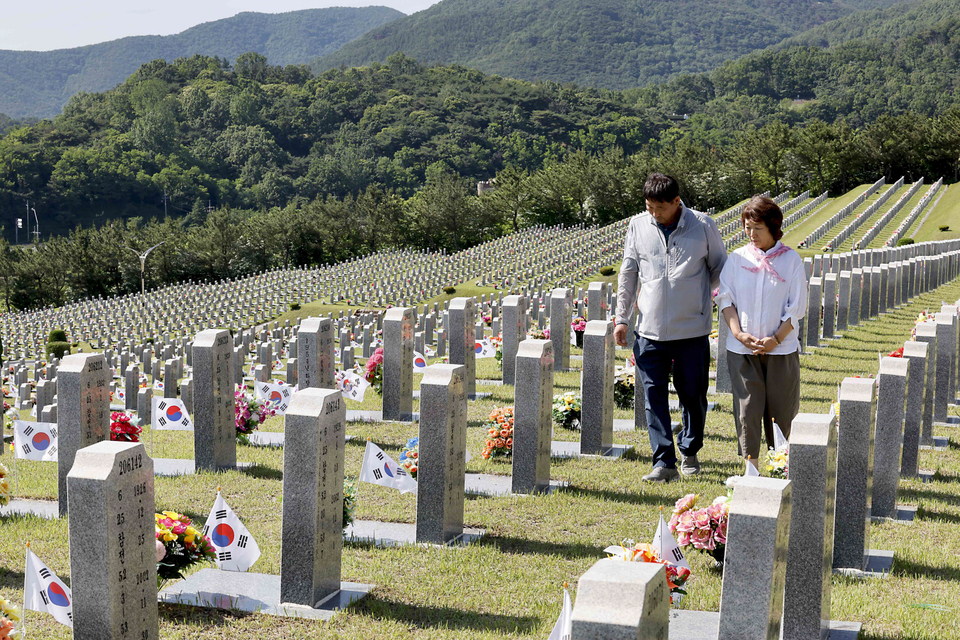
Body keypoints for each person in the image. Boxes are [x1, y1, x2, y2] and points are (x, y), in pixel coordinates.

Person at [614, 173, 726, 482]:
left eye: (659, 208)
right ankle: (663, 461)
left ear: (676, 202)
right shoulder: (638, 225)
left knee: (692, 395)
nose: (654, 213)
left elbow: (719, 267)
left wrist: (696, 297)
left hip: (691, 330)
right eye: (649, 206)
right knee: (653, 397)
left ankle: (689, 449)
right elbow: (629, 272)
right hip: (649, 330)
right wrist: (622, 318)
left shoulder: (702, 225)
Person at [715, 195, 807, 469]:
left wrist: (775, 339)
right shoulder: (737, 259)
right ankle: (751, 470)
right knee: (748, 408)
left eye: (758, 228)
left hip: (780, 349)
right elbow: (725, 300)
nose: (751, 234)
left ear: (773, 227)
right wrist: (738, 333)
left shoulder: (791, 260)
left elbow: (796, 307)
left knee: (780, 411)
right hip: (742, 349)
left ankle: (779, 465)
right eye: (747, 227)